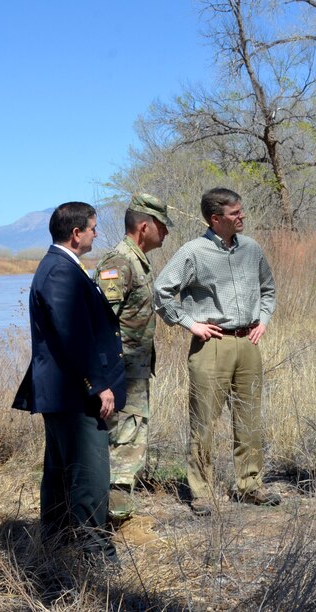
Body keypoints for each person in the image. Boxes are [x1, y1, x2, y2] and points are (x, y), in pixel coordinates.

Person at [12, 201, 126, 565]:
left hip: (65, 391)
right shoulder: (60, 271)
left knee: (62, 471)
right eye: (93, 228)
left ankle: (56, 543)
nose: (96, 233)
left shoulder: (59, 266)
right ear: (76, 234)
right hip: (74, 393)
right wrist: (98, 384)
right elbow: (71, 336)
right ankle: (96, 553)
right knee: (90, 473)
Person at [153, 187, 279, 516]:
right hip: (211, 344)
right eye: (235, 213)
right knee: (203, 421)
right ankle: (201, 492)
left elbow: (268, 288)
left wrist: (263, 320)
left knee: (249, 419)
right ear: (216, 218)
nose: (242, 217)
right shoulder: (192, 252)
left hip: (248, 343)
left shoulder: (251, 249)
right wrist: (188, 323)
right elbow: (162, 290)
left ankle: (250, 486)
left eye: (241, 211)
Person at [93, 193, 172, 520]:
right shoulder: (119, 262)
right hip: (120, 373)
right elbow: (100, 322)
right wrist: (104, 378)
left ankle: (118, 514)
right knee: (123, 448)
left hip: (133, 373)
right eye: (163, 227)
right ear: (144, 226)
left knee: (131, 439)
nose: (166, 234)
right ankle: (115, 521)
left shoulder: (137, 260)